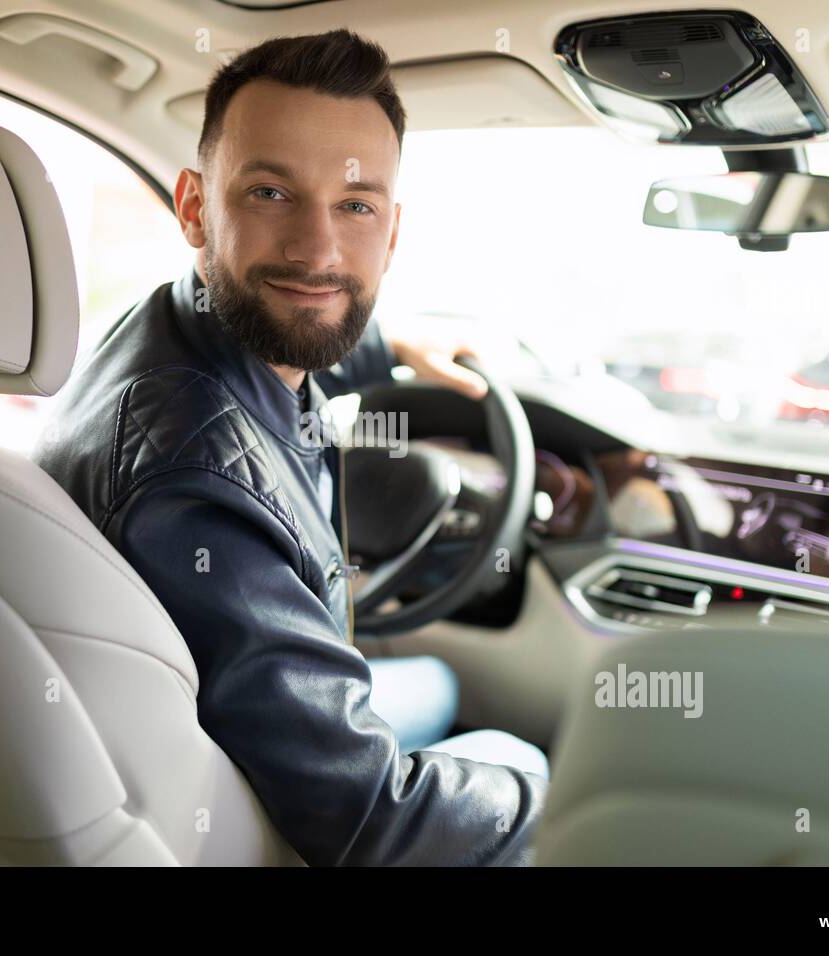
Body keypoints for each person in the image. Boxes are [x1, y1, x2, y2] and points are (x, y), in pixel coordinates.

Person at [34, 28, 547, 866]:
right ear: (197, 207)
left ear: (392, 229)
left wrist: (394, 349)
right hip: (236, 809)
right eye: (271, 193)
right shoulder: (200, 486)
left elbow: (293, 318)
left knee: (444, 684)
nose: (319, 249)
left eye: (355, 206)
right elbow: (366, 817)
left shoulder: (170, 321)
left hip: (194, 737)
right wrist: (581, 804)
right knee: (519, 758)